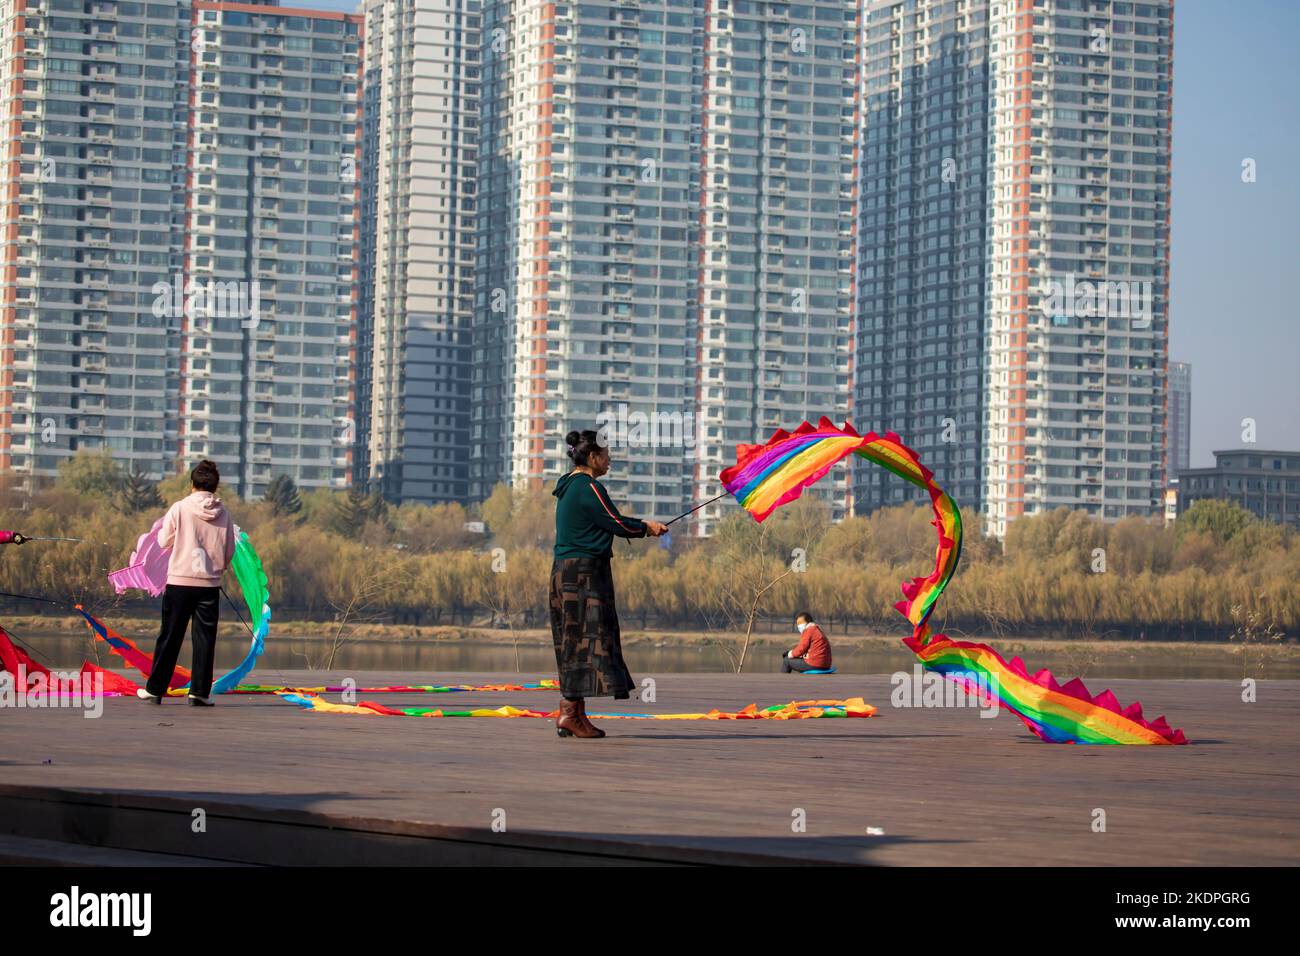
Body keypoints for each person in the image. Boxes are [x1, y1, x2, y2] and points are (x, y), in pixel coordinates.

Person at [550, 429, 668, 738]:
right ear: (592, 457)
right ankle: (570, 714)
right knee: (589, 640)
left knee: (576, 642)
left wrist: (642, 527)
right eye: (607, 456)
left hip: (567, 573)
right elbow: (614, 522)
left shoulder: (568, 486)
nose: (610, 461)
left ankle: (572, 713)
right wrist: (646, 528)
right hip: (584, 576)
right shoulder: (588, 487)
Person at [136, 459, 236, 706]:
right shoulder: (224, 514)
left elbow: (162, 541)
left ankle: (155, 689)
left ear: (192, 484)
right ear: (215, 486)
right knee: (205, 639)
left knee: (170, 636)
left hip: (180, 582)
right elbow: (229, 549)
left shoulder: (179, 508)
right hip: (209, 585)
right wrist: (217, 568)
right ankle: (199, 693)